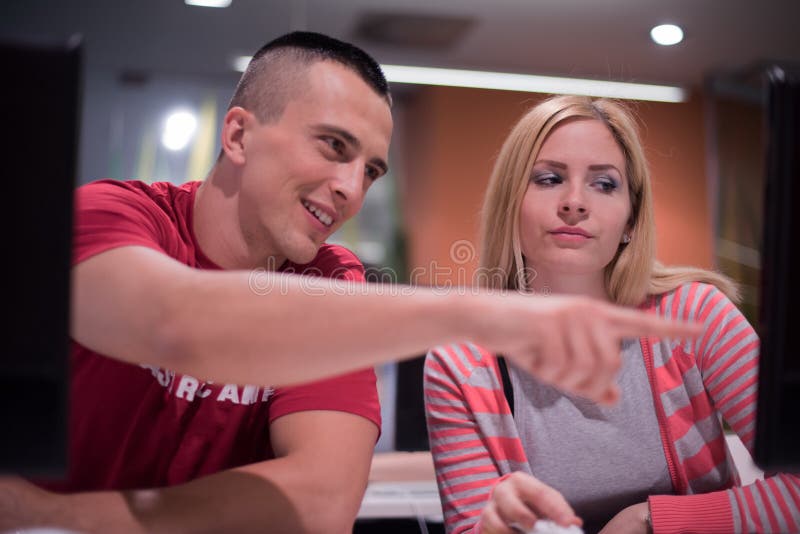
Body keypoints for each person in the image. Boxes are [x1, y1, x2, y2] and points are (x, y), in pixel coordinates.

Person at [0, 31, 701, 532]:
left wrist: (60, 519)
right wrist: (477, 313)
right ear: (238, 135)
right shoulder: (111, 214)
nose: (349, 188)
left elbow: (321, 501)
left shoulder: (334, 276)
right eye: (334, 147)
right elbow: (172, 322)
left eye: (369, 170)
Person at [424, 95, 800, 534]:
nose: (574, 202)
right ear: (511, 204)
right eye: (548, 179)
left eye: (604, 184)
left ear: (631, 223)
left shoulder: (695, 319)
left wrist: (648, 522)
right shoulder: (461, 365)